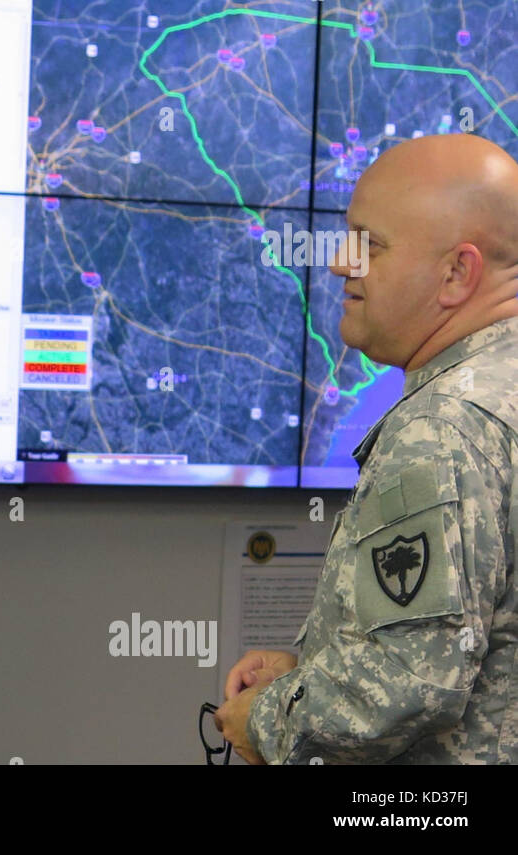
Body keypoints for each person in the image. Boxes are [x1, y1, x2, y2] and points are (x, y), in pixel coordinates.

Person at [216, 133, 518, 763]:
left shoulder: (444, 429)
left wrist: (265, 720)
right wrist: (308, 672)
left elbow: (413, 682)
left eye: (369, 245)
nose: (338, 263)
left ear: (457, 273)